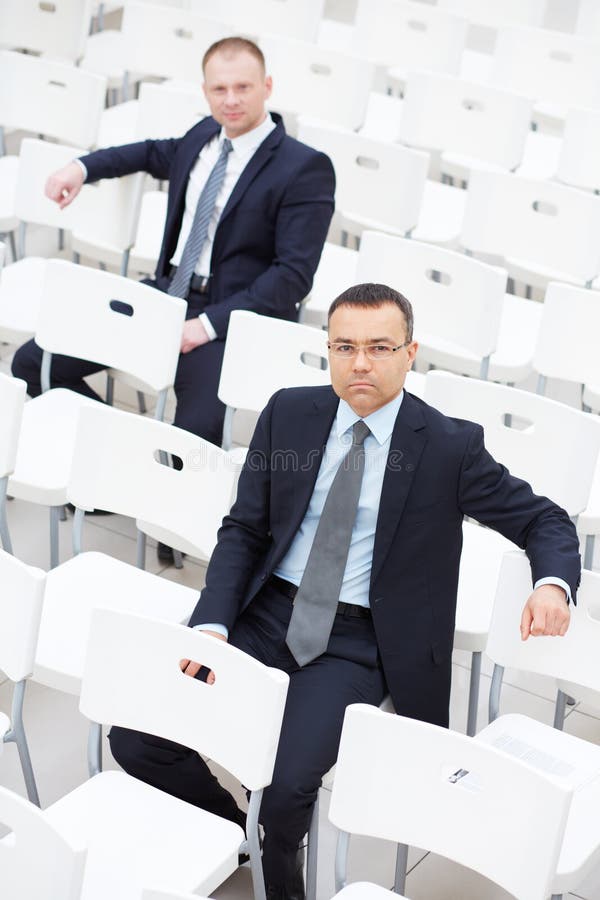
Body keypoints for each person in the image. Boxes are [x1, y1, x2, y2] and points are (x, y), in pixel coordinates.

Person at [108, 283, 580, 900]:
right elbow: (244, 530)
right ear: (328, 350)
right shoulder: (288, 412)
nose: (361, 363)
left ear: (411, 354)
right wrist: (212, 625)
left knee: (283, 794)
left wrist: (551, 585)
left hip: (357, 642)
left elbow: (544, 519)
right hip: (264, 612)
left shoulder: (446, 447)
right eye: (345, 347)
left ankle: (281, 882)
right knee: (137, 736)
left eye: (380, 347)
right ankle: (236, 830)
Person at [11, 36, 335, 448]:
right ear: (205, 92)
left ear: (267, 87)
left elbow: (293, 277)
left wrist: (204, 326)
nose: (230, 100)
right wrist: (80, 167)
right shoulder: (205, 136)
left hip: (232, 320)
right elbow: (149, 153)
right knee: (34, 363)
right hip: (168, 296)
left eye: (243, 87)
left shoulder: (305, 167)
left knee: (194, 437)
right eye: (219, 89)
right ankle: (111, 455)